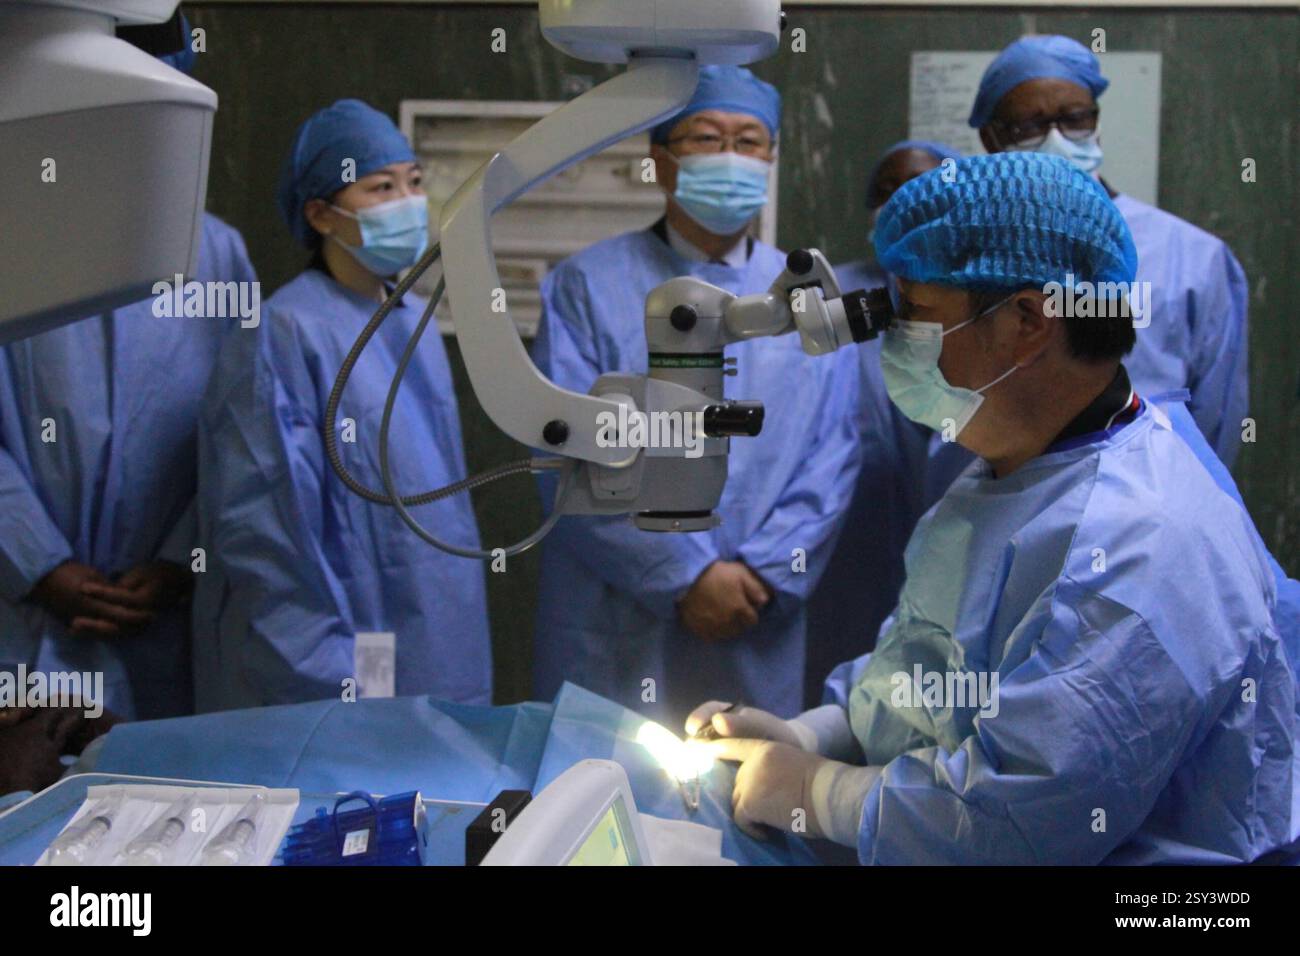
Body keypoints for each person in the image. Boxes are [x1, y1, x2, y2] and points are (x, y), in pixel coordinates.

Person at [688, 153, 1297, 865]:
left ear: (1028, 322)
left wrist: (820, 793)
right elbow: (930, 678)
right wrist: (818, 736)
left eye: (913, 312)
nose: (893, 338)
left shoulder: (1143, 541)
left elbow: (1019, 823)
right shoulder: (1018, 468)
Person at [532, 66, 861, 728]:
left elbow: (836, 451)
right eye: (707, 138)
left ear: (770, 158)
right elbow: (563, 452)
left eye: (750, 142)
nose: (731, 158)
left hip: (755, 614)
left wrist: (766, 571)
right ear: (660, 162)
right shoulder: (587, 288)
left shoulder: (800, 295)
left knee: (743, 799)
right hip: (616, 614)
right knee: (601, 799)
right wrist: (682, 577)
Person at [191, 99, 491, 710]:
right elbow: (270, 532)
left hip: (439, 631)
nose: (406, 202)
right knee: (368, 774)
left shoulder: (410, 321)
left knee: (441, 768)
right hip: (355, 642)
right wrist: (353, 675)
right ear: (321, 215)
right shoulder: (284, 333)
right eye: (380, 187)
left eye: (412, 182)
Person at [0, 210, 257, 720]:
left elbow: (244, 427)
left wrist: (183, 557)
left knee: (170, 790)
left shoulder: (215, 252)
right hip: (26, 615)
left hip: (166, 625)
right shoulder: (18, 237)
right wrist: (38, 563)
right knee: (36, 783)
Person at [969, 34, 1248, 467]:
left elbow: (1218, 417)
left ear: (1096, 122)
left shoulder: (1191, 258)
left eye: (1074, 119)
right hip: (993, 505)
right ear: (991, 139)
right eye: (1029, 125)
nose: (1056, 139)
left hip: (1145, 503)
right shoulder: (962, 254)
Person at [806, 140, 963, 704]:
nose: (906, 202)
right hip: (842, 553)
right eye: (888, 192)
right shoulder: (833, 302)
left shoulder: (990, 305)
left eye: (926, 187)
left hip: (963, 551)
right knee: (837, 697)